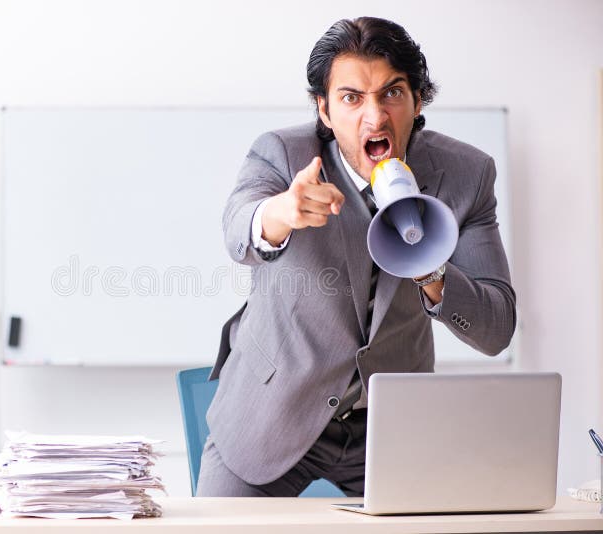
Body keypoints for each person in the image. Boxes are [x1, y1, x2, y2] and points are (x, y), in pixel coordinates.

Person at [196, 16, 516, 497]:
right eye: (351, 98)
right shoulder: (283, 154)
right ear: (323, 110)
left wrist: (431, 270)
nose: (375, 117)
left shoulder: (466, 175)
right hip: (270, 413)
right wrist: (281, 212)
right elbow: (239, 228)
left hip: (390, 430)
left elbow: (496, 330)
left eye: (392, 93)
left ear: (418, 101)